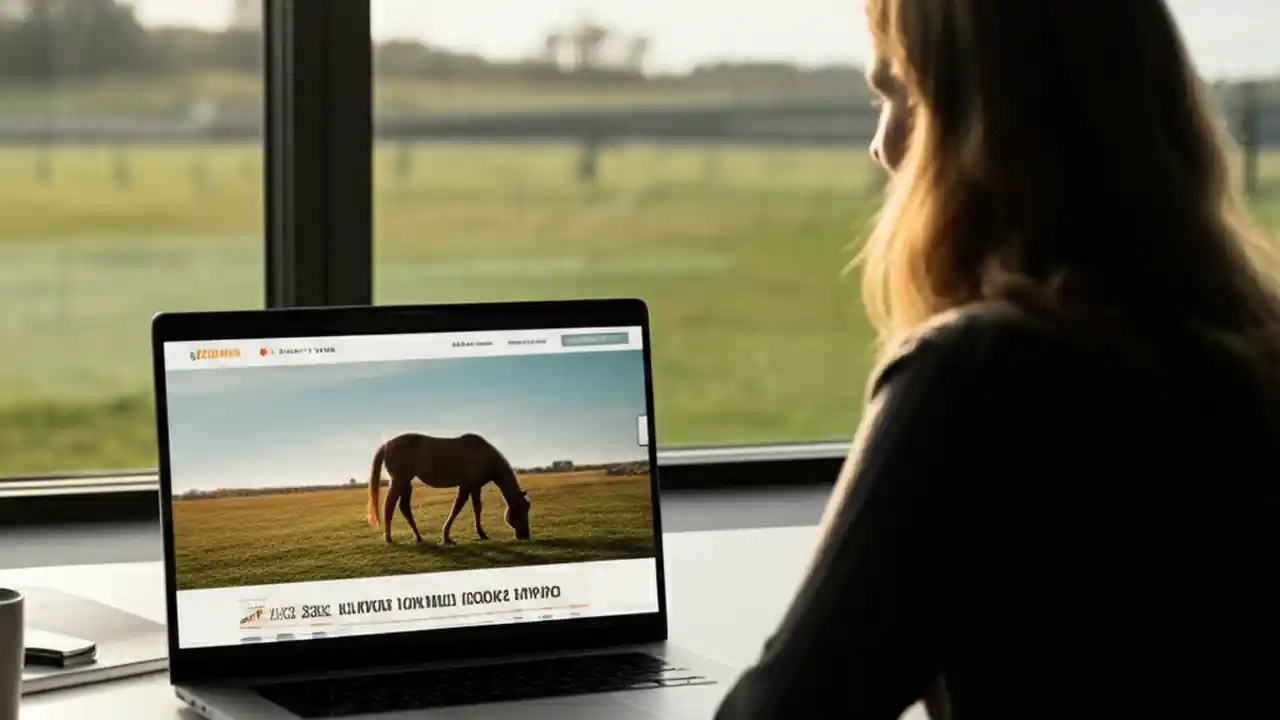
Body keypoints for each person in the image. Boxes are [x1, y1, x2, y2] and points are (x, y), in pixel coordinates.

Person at [714, 1, 1279, 718]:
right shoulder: (1251, 352)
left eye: (901, 95)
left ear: (984, 129)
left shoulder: (982, 373)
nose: (883, 146)